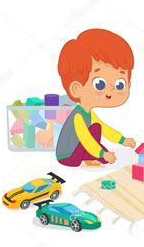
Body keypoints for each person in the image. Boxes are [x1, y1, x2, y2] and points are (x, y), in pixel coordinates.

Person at [55, 29, 136, 167]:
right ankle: (93, 157)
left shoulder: (88, 114)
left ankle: (92, 156)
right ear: (76, 88)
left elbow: (105, 129)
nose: (110, 91)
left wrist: (122, 140)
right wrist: (101, 154)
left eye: (119, 84)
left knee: (97, 128)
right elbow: (85, 138)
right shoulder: (78, 116)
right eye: (100, 84)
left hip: (77, 151)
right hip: (67, 157)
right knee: (95, 133)